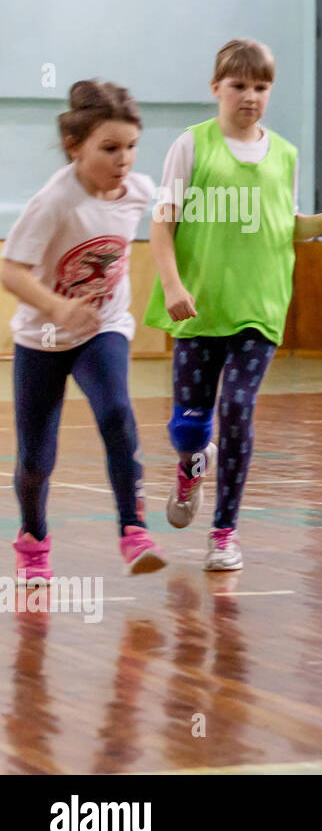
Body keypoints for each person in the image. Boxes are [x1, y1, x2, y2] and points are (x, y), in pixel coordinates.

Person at [146, 38, 322, 571]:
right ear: (215, 88)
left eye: (261, 87)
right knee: (191, 428)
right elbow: (162, 225)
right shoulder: (191, 146)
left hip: (260, 308)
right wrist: (172, 285)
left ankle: (224, 533)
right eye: (239, 85)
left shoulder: (284, 153)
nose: (250, 96)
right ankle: (192, 465)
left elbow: (284, 227)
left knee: (237, 409)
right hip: (197, 310)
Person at [2, 80, 162, 582]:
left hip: (103, 326)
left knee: (116, 410)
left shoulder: (139, 190)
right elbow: (10, 270)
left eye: (132, 147)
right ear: (76, 148)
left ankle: (134, 531)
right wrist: (57, 308)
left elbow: (172, 227)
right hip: (43, 338)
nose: (124, 160)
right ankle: (33, 540)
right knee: (35, 458)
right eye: (110, 148)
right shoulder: (56, 202)